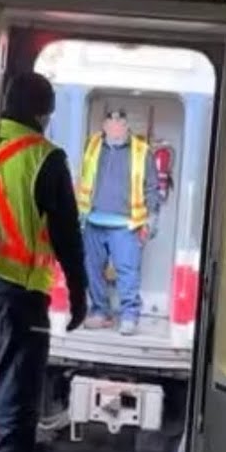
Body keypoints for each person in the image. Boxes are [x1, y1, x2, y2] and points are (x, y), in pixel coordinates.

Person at [0, 71, 88, 452]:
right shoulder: (46, 156)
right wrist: (79, 293)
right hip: (20, 292)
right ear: (45, 113)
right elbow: (67, 234)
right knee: (16, 389)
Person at [75, 107, 162, 335]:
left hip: (126, 224)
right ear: (104, 126)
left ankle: (129, 315)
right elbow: (81, 176)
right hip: (93, 221)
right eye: (111, 124)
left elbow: (152, 188)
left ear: (126, 126)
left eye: (120, 124)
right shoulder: (92, 144)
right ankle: (100, 312)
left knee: (127, 272)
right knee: (92, 269)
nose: (115, 128)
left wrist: (151, 220)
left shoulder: (142, 151)